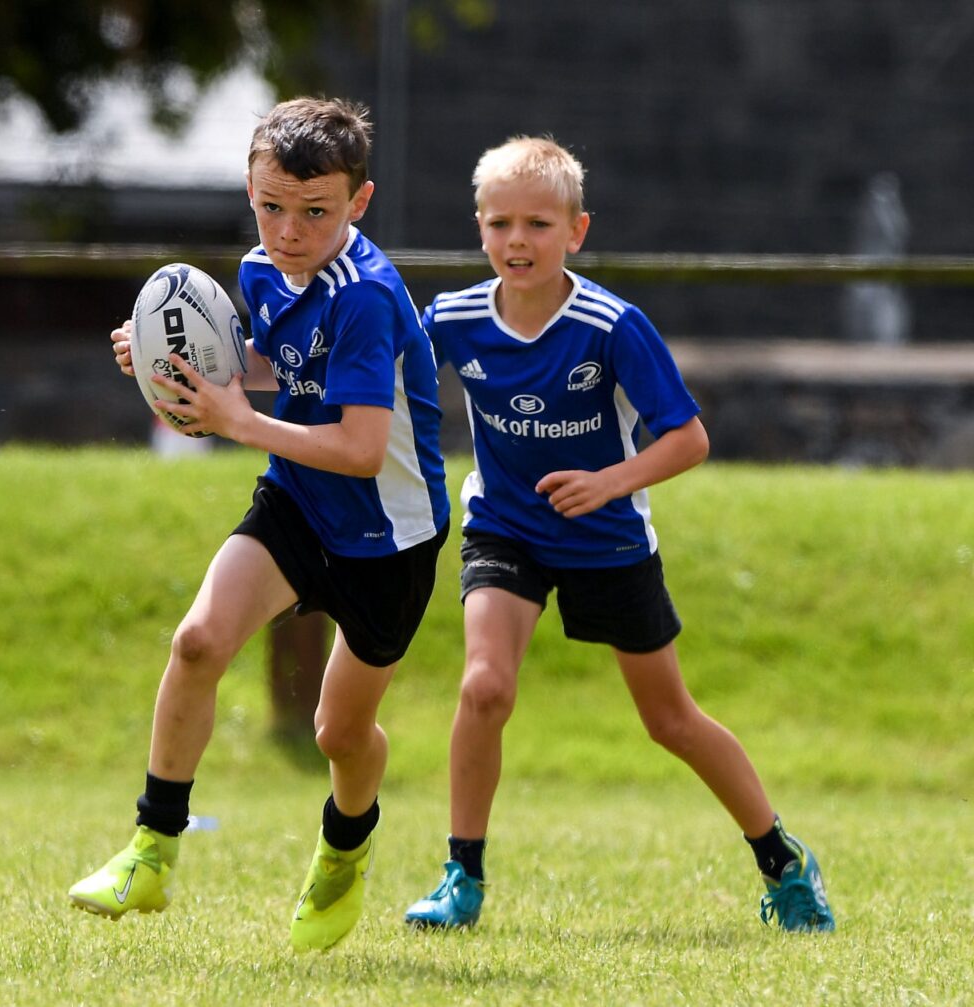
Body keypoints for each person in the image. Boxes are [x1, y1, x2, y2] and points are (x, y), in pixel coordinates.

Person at [402, 136, 834, 933]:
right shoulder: (453, 319)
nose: (518, 240)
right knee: (484, 687)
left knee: (669, 720)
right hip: (504, 527)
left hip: (606, 537)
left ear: (577, 230)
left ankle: (783, 859)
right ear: (479, 226)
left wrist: (607, 482)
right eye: (500, 223)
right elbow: (380, 379)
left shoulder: (612, 325)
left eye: (539, 224)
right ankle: (462, 874)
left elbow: (689, 439)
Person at [68, 96, 450, 952]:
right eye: (272, 206)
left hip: (389, 538)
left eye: (315, 212)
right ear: (250, 189)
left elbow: (361, 448)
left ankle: (344, 850)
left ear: (358, 202)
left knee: (339, 733)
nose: (288, 231)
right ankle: (150, 850)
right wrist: (169, 359)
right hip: (298, 502)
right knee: (197, 642)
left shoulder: (367, 298)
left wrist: (238, 421)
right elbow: (275, 365)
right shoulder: (260, 271)